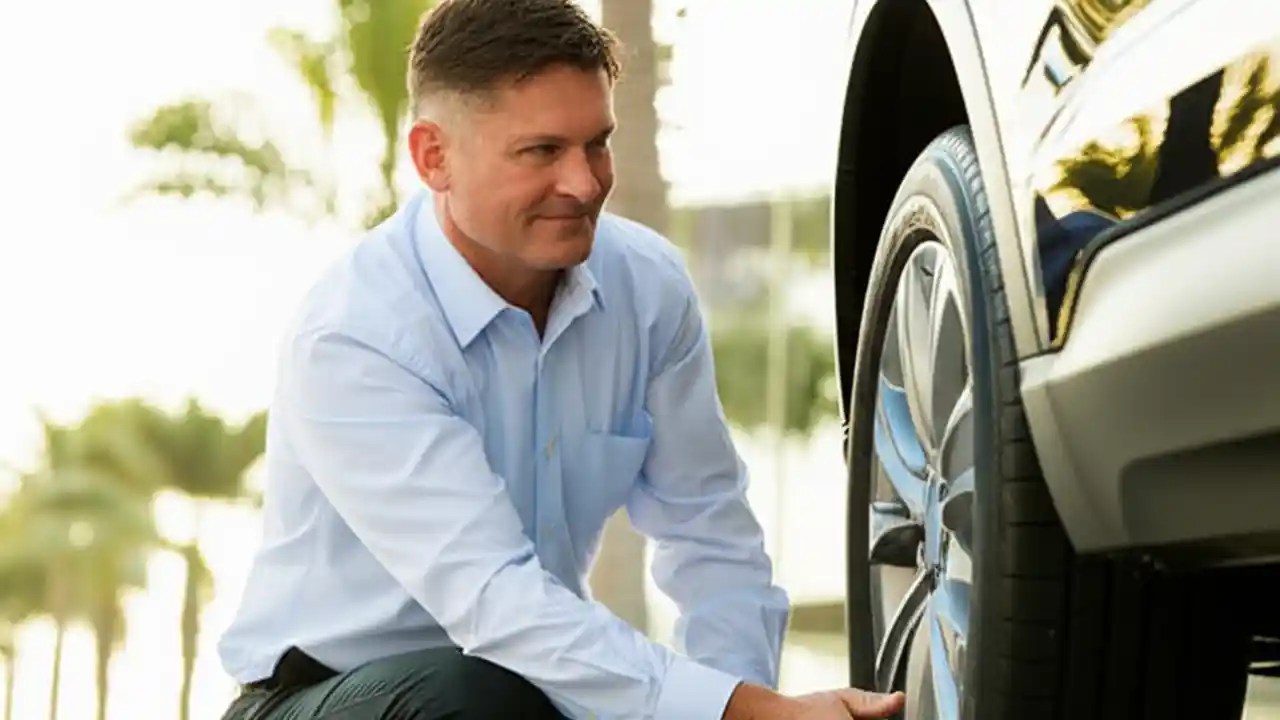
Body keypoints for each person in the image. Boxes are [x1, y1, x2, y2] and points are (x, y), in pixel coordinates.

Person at [216, 1, 906, 718]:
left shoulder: (647, 288)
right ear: (434, 156)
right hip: (322, 696)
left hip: (530, 690)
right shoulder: (358, 334)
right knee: (477, 694)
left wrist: (742, 705)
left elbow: (711, 537)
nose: (583, 183)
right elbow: (495, 602)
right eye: (542, 151)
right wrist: (753, 713)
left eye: (597, 143)